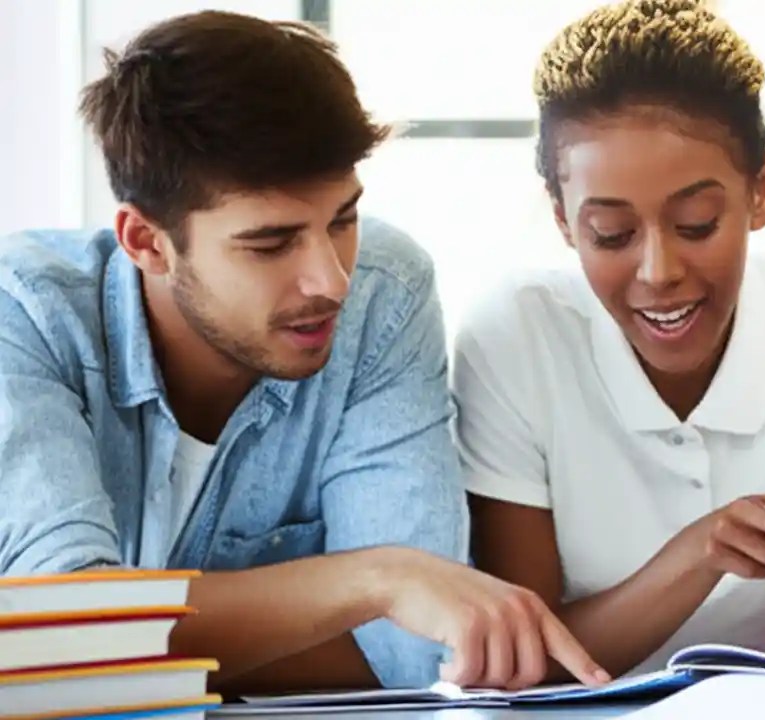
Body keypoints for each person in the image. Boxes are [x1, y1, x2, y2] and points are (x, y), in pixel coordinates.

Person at [0, 10, 607, 693]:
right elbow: (54, 638)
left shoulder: (385, 292)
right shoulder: (25, 313)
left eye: (342, 220)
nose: (331, 281)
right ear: (146, 242)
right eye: (270, 243)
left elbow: (414, 656)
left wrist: (138, 644)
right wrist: (377, 580)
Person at [455, 0, 765, 680]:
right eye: (611, 235)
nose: (659, 274)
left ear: (760, 191)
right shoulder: (513, 338)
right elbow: (528, 660)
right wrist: (700, 553)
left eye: (698, 223)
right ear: (562, 218)